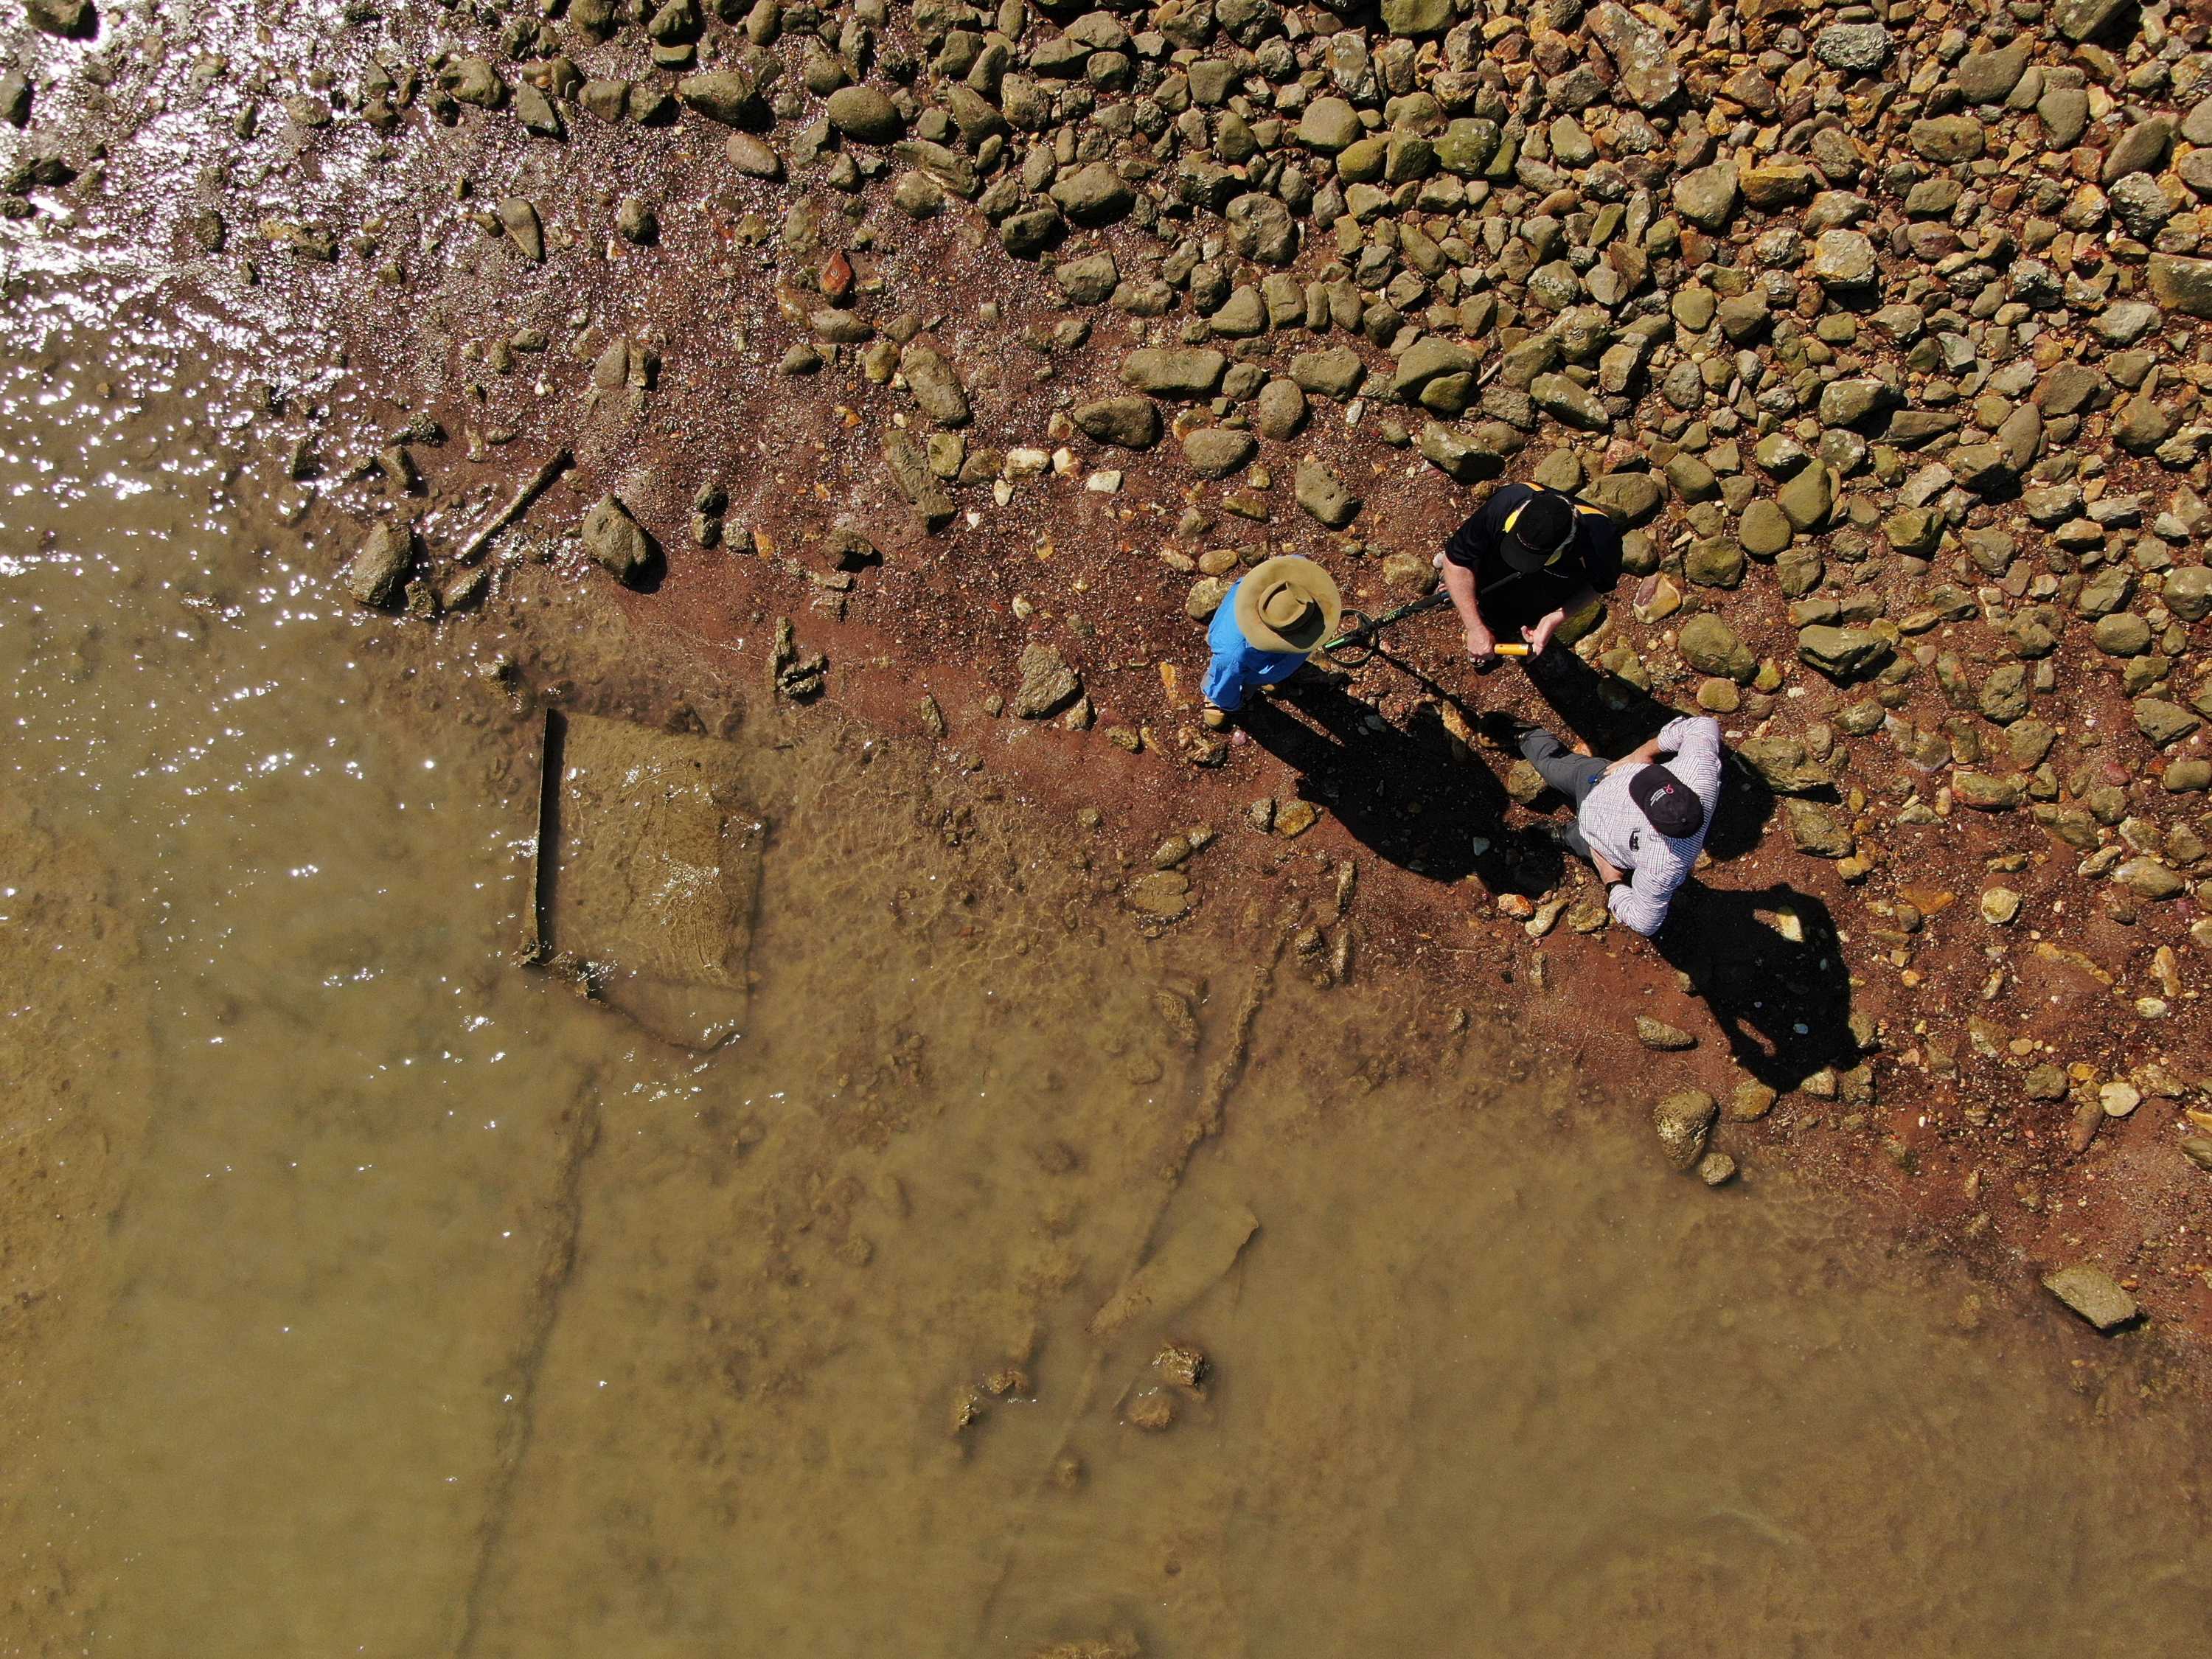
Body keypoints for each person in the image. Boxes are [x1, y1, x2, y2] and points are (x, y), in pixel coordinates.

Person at [1509, 713, 1723, 937]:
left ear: (1655, 830)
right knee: (1551, 767)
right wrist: (1642, 753)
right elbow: (1703, 724)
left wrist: (1610, 879)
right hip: (1600, 779)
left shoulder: (1663, 866)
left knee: (1573, 838)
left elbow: (1645, 923)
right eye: (1653, 782)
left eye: (1640, 800)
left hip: (1599, 844)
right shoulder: (1700, 771)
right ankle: (1524, 734)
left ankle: (1562, 836)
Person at [1437, 482, 1621, 667]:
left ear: (1568, 542)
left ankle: (1495, 622)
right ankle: (1465, 589)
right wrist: (1475, 628)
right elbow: (1456, 561)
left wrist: (1555, 618)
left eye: (1534, 558)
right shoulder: (1507, 502)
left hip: (1548, 584)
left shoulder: (1601, 540)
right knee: (1469, 574)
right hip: (1492, 561)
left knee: (1506, 616)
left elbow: (1599, 587)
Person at [1199, 554, 1342, 728]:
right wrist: (1228, 701)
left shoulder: (1290, 584)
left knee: (1261, 668)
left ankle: (1263, 678)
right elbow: (1225, 679)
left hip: (1278, 644)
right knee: (1229, 676)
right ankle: (1221, 700)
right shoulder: (1233, 653)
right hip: (1239, 655)